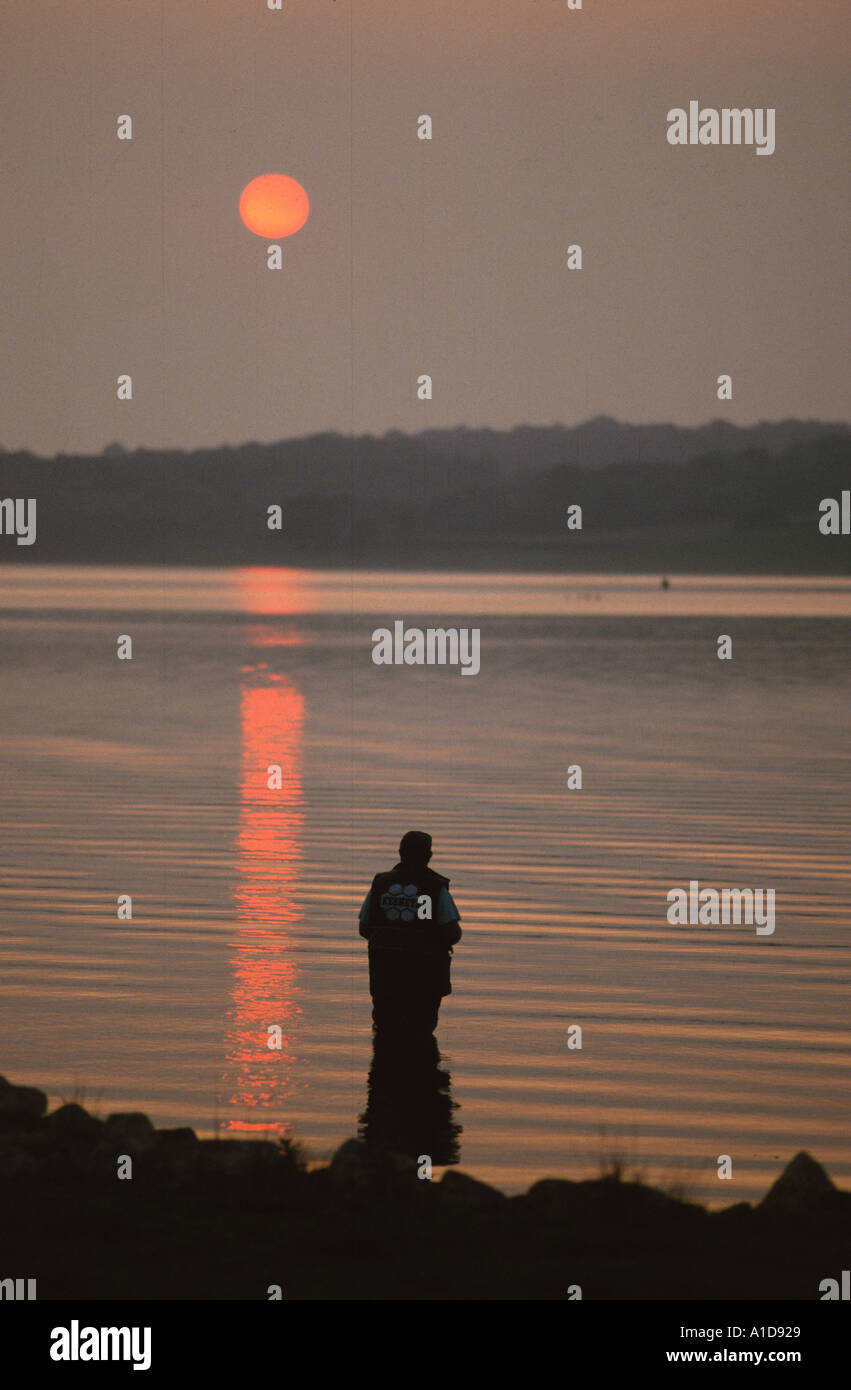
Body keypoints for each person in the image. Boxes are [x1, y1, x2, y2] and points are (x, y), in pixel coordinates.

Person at [358, 831, 461, 1035]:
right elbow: (452, 934)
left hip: (385, 977)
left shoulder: (381, 884)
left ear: (400, 852)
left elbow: (364, 929)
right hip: (425, 981)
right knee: (420, 1034)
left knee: (385, 1034)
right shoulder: (434, 887)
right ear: (428, 855)